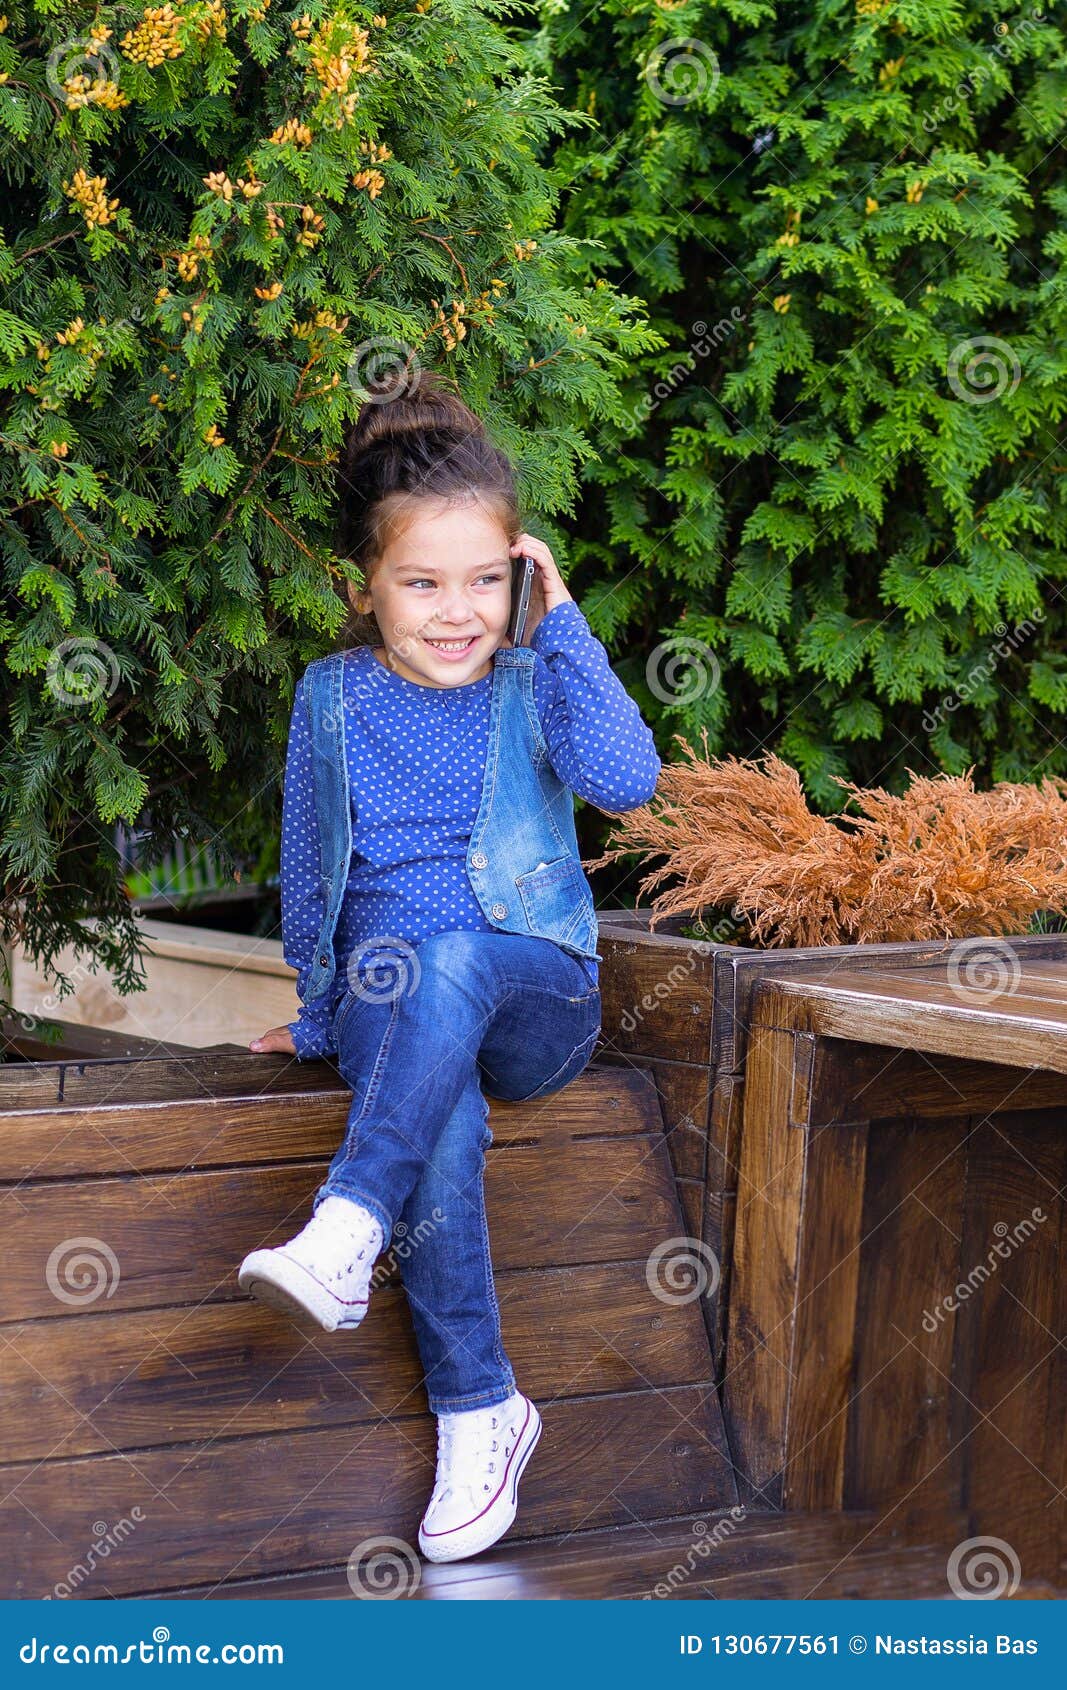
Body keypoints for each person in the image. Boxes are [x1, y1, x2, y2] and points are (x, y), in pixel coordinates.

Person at [238, 367, 661, 1564]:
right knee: (441, 1109)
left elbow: (629, 782)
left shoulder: (533, 686)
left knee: (452, 959)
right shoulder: (329, 697)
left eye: (486, 580)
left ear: (518, 578)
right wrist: (319, 1021)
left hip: (535, 996)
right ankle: (484, 1412)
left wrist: (561, 623)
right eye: (421, 582)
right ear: (365, 587)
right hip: (391, 1007)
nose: (454, 610)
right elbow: (313, 876)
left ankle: (345, 1227)